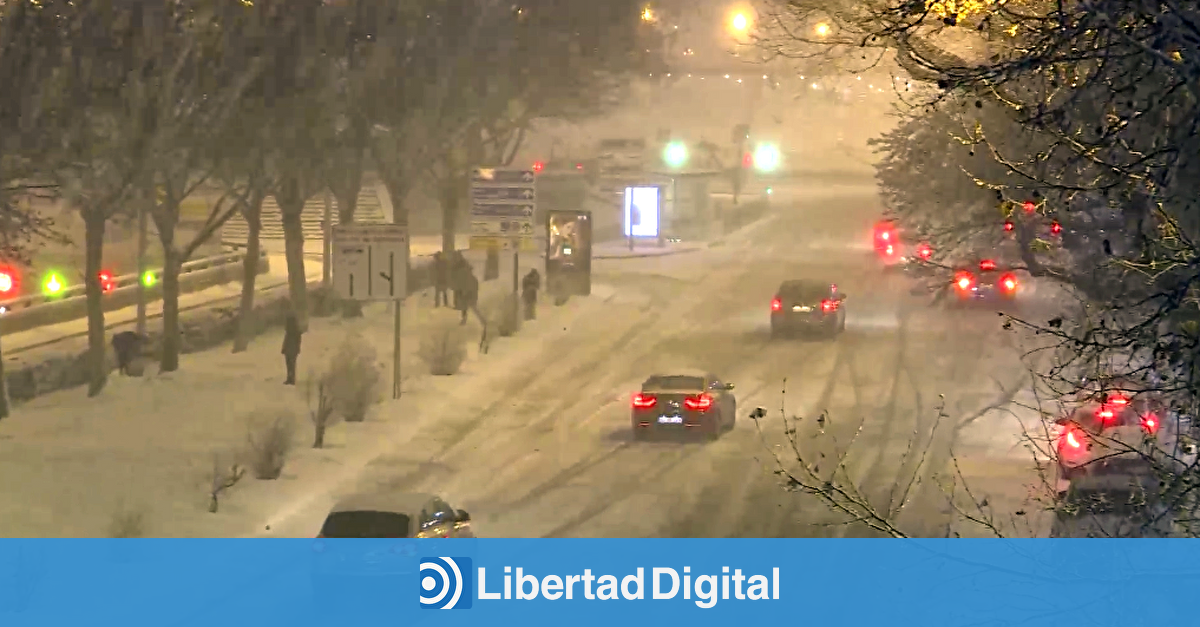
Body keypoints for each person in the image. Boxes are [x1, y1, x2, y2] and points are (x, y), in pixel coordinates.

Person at [281, 313, 302, 385]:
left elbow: (287, 340)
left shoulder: (292, 332)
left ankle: (291, 379)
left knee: (290, 365)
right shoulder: (295, 331)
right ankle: (290, 378)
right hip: (291, 350)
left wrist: (284, 348)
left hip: (290, 349)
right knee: (291, 365)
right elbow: (297, 341)